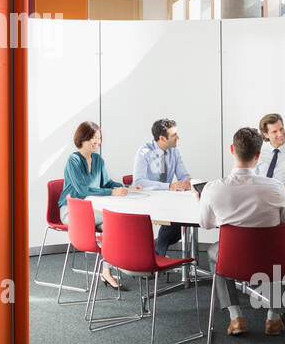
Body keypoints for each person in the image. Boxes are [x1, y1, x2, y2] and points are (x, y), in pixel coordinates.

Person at [200, 127, 285, 336]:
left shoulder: (213, 188)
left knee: (215, 252)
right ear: (258, 155)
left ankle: (236, 317)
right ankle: (274, 317)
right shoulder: (276, 187)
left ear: (232, 149)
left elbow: (205, 224)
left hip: (233, 260)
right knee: (284, 249)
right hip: (272, 260)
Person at [59, 120, 128, 290]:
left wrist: (126, 187)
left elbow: (107, 183)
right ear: (82, 139)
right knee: (114, 220)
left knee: (112, 225)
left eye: (99, 138)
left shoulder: (98, 159)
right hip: (72, 211)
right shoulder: (73, 160)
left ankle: (106, 272)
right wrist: (112, 193)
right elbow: (82, 190)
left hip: (93, 210)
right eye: (93, 138)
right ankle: (110, 268)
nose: (97, 142)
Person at [132, 118, 193, 256]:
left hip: (167, 200)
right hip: (146, 199)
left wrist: (188, 181)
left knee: (180, 219)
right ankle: (157, 255)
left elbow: (183, 174)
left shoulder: (174, 152)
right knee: (174, 219)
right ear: (162, 138)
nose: (178, 137)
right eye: (174, 135)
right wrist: (168, 186)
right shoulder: (144, 152)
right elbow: (139, 182)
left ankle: (154, 251)